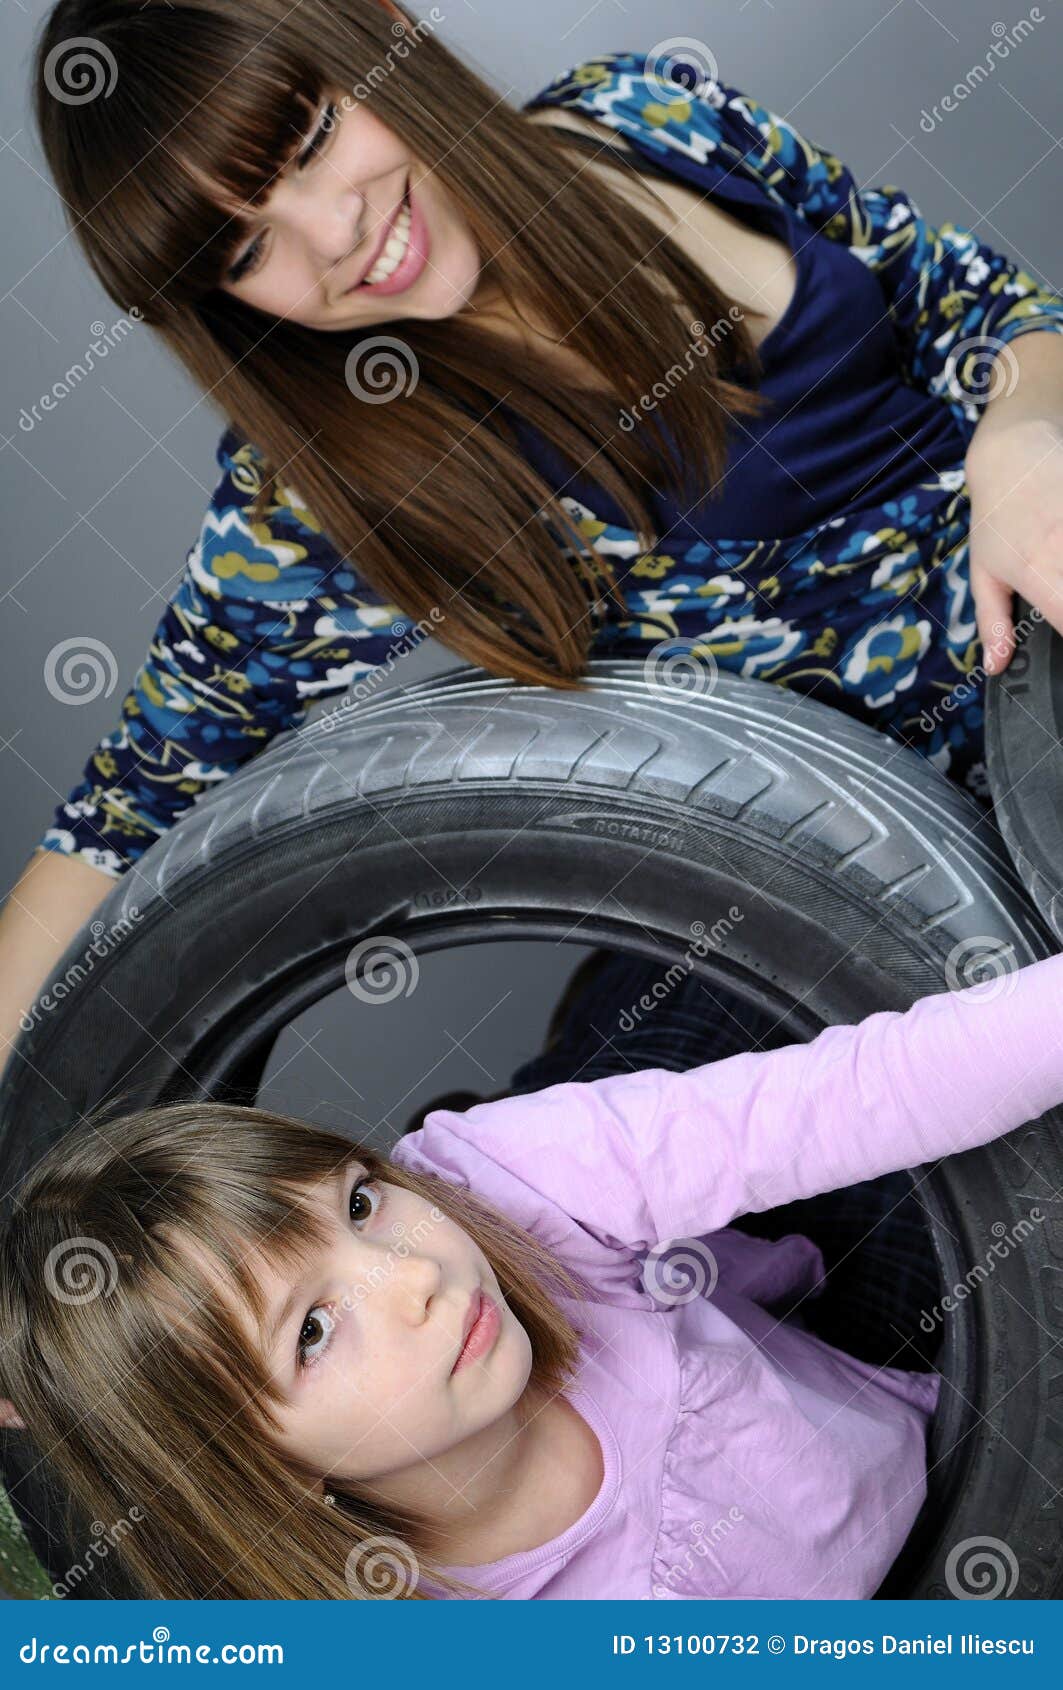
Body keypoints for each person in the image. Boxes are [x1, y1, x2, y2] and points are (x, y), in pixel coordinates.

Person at [4, 4, 1063, 1074]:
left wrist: (1021, 439)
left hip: (1050, 693)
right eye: (245, 246)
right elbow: (125, 815)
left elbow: (979, 305)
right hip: (857, 915)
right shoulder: (324, 483)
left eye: (313, 137)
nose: (334, 235)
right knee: (580, 1181)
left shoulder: (647, 113)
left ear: (376, 34)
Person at [2, 945, 1059, 1600]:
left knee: (686, 1005)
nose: (408, 1274)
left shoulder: (486, 1186)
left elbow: (851, 1091)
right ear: (270, 1467)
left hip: (843, 1333)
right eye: (313, 1330)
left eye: (360, 1203)